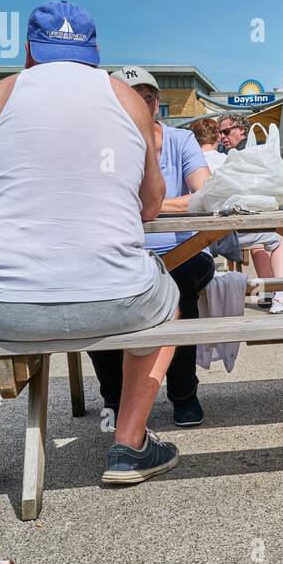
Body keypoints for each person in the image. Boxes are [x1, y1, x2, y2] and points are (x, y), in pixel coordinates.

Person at [0, 0, 182, 503]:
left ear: (30, 51)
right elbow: (153, 203)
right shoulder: (127, 98)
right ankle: (129, 445)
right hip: (117, 303)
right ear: (93, 53)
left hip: (5, 308)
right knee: (170, 299)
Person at [89, 66, 216, 429]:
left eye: (147, 97)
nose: (140, 104)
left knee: (179, 281)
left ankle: (183, 394)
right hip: (125, 252)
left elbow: (205, 196)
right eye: (129, 97)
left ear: (157, 103)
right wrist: (176, 203)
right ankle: (114, 398)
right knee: (97, 294)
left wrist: (144, 205)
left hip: (185, 250)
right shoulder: (104, 146)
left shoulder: (181, 140)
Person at [201, 117, 283, 314]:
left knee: (259, 240)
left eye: (226, 132)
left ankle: (270, 291)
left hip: (210, 230)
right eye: (220, 133)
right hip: (226, 230)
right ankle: (281, 294)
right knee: (280, 235)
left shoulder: (226, 156)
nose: (222, 137)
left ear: (242, 130)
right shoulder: (235, 157)